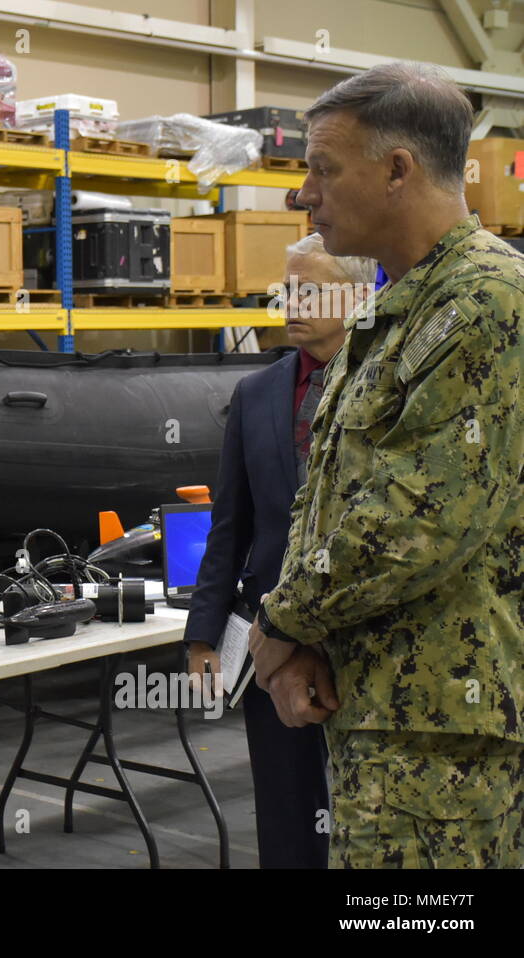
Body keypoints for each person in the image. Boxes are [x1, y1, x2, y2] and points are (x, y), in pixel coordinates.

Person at [248, 61, 524, 868]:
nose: (305, 193)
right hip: (386, 716)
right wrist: (306, 646)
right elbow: (332, 499)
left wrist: (281, 623)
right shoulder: (398, 313)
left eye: (324, 169)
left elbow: (416, 520)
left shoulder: (484, 305)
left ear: (399, 169)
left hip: (443, 742)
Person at [185, 232, 374, 868]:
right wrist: (203, 638)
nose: (290, 302)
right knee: (287, 812)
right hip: (273, 643)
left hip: (366, 642)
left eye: (308, 289)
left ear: (354, 297)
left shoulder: (388, 385)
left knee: (372, 815)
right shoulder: (257, 394)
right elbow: (229, 526)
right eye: (286, 289)